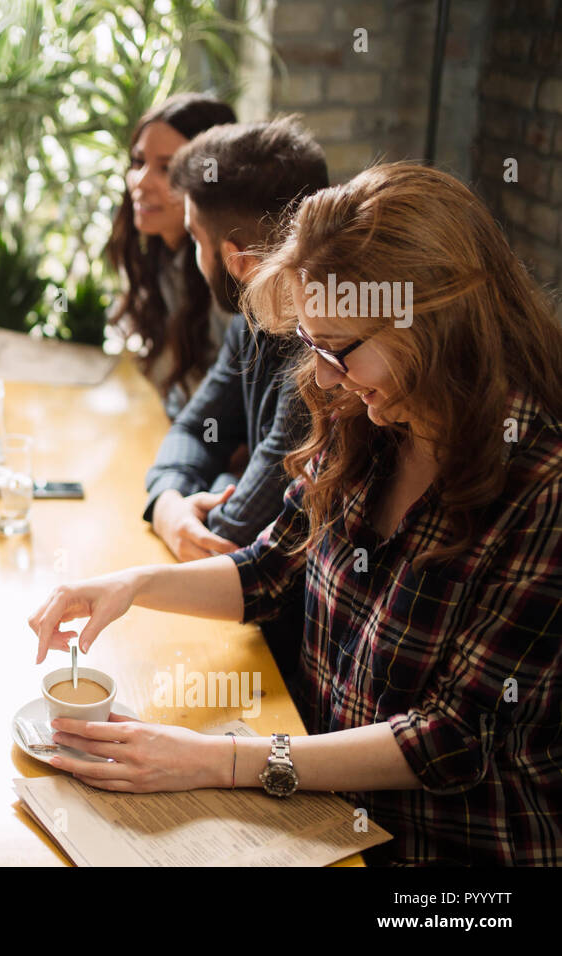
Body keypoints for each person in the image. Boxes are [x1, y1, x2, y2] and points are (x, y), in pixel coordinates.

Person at [29, 163, 562, 865]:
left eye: (339, 348)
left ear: (434, 323)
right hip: (323, 816)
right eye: (311, 345)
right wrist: (133, 585)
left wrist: (221, 761)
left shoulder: (540, 482)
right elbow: (273, 571)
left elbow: (451, 737)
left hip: (452, 855)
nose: (325, 374)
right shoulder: (363, 412)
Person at [142, 117, 326, 681]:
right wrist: (171, 507)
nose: (194, 260)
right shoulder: (252, 321)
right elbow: (194, 431)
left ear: (235, 257)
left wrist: (189, 504)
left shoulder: (325, 356)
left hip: (290, 661)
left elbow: (235, 535)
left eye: (196, 240)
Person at [108, 93, 237, 420]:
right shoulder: (158, 254)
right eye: (138, 162)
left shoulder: (230, 280)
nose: (141, 183)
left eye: (168, 168)